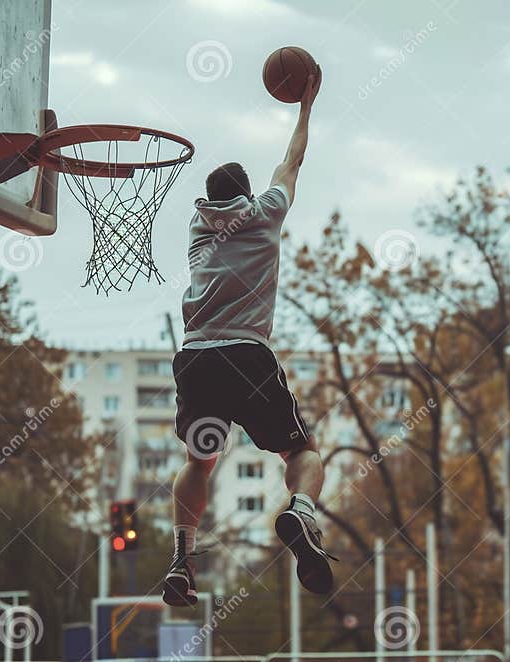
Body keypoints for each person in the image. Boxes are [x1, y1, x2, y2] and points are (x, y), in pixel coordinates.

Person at [163, 71, 333, 607]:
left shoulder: (197, 229)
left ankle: (182, 559)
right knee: (301, 451)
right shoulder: (265, 216)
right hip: (245, 355)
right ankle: (301, 513)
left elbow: (216, 204)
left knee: (199, 462)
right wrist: (304, 106)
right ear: (248, 195)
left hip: (195, 358)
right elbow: (292, 161)